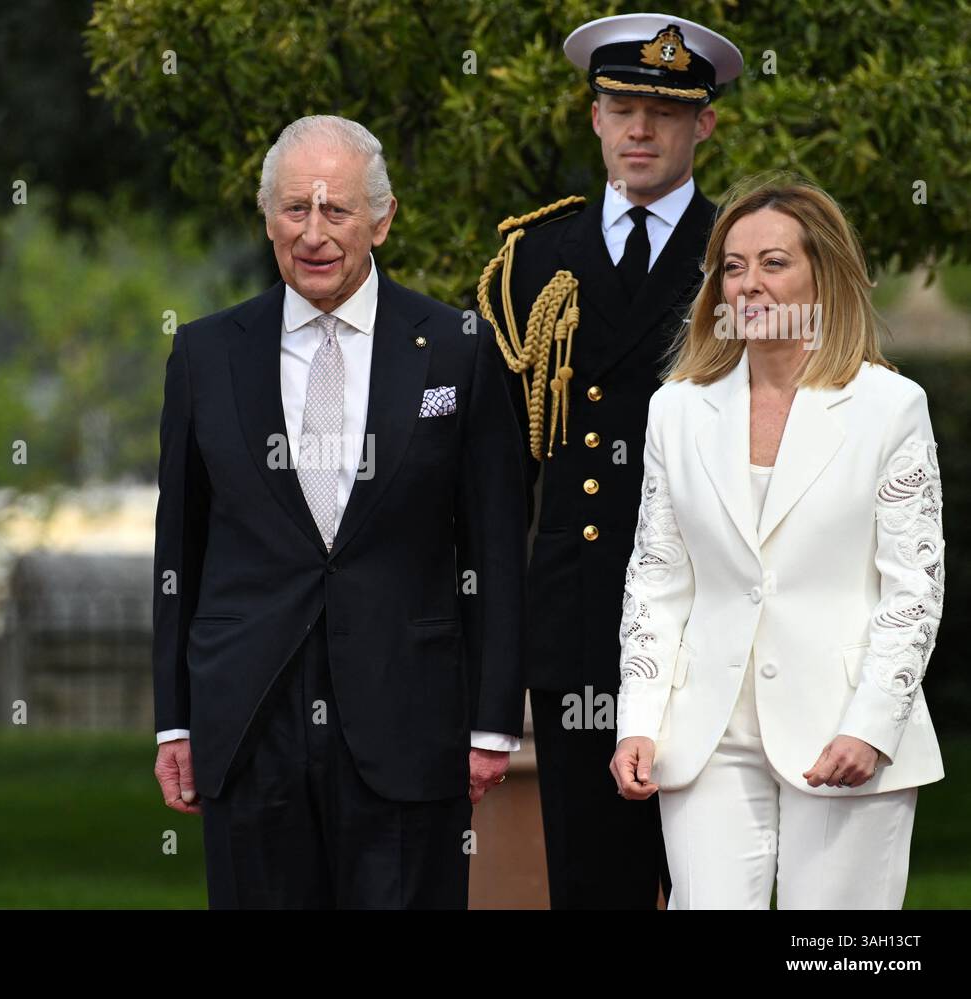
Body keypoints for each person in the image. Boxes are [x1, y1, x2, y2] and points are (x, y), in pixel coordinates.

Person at [152, 114, 528, 908]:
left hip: (410, 720)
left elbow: (495, 548)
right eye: (295, 209)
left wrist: (493, 722)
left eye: (337, 210)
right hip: (249, 725)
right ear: (266, 216)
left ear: (382, 220)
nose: (314, 233)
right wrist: (174, 723)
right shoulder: (205, 353)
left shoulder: (458, 345)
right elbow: (177, 556)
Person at [609, 177, 945, 909]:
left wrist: (872, 726)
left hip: (846, 733)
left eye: (773, 262)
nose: (749, 283)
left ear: (820, 276)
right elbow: (657, 579)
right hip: (705, 737)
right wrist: (638, 718)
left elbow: (913, 591)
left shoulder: (891, 407)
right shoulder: (677, 409)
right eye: (733, 266)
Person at [476, 13, 742, 908]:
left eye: (664, 112)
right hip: (580, 616)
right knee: (592, 880)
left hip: (712, 613)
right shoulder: (533, 259)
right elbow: (502, 471)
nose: (640, 129)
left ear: (703, 123)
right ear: (593, 116)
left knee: (715, 879)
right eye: (622, 105)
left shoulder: (743, 257)